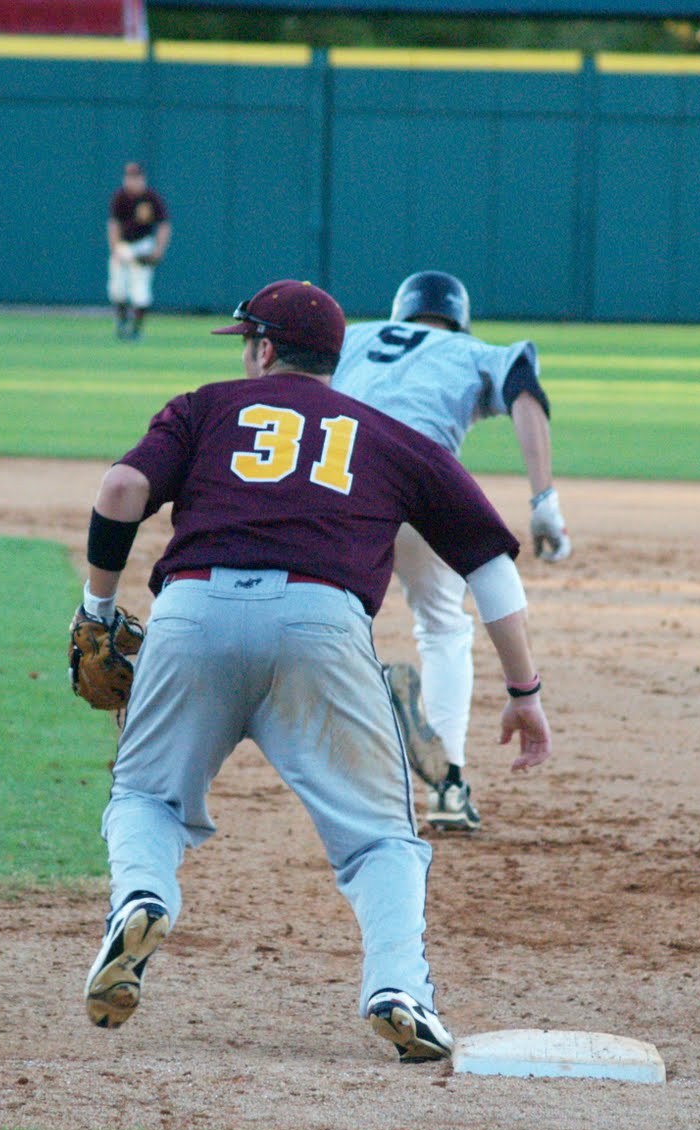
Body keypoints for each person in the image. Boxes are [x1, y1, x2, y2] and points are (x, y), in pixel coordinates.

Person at [75, 279, 553, 1063]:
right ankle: (398, 988)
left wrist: (96, 609)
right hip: (321, 627)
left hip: (192, 611)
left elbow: (122, 490)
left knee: (145, 794)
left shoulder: (203, 405)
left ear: (264, 349)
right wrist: (525, 692)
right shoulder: (390, 435)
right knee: (380, 841)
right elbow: (490, 569)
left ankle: (143, 896)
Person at [330, 270, 570, 834]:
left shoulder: (352, 337)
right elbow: (523, 391)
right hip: (419, 481)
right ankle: (448, 787)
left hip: (337, 483)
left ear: (399, 313)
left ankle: (365, 708)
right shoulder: (470, 349)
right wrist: (544, 499)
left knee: (324, 617)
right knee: (442, 626)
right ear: (459, 319)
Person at [106, 162, 171, 341]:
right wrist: (115, 248)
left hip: (143, 245)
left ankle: (136, 329)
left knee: (140, 289)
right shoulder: (120, 196)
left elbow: (164, 224)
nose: (132, 182)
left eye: (136, 178)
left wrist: (158, 250)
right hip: (124, 246)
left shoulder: (151, 197)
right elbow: (113, 224)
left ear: (142, 179)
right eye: (129, 178)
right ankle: (121, 323)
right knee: (117, 288)